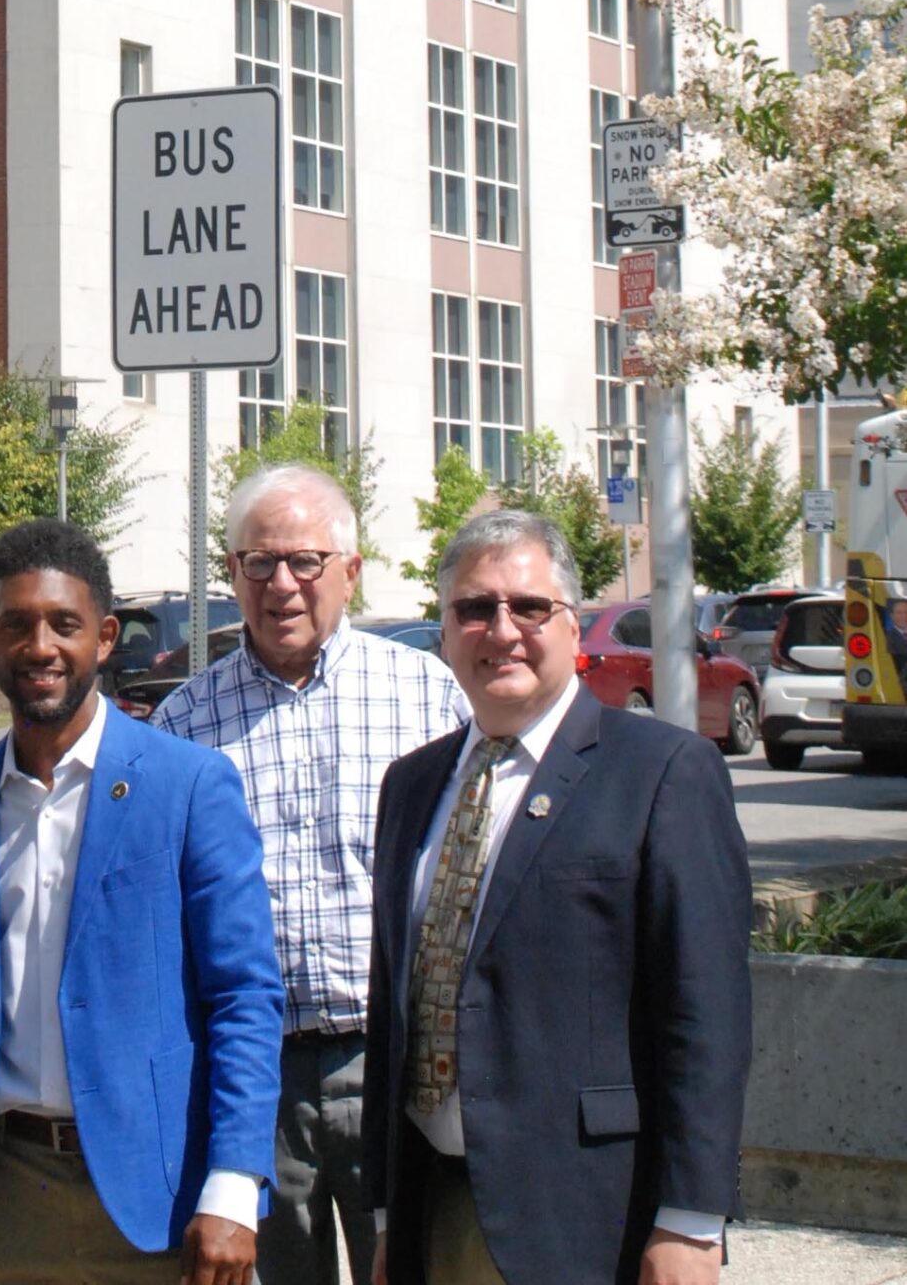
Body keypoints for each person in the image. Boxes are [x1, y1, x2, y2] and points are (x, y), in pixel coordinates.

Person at [362, 509, 751, 1285]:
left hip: (587, 1212)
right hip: (430, 1203)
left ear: (572, 627)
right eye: (474, 608)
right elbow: (391, 1012)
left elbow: (705, 1010)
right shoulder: (410, 785)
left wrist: (690, 1220)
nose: (501, 630)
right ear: (445, 632)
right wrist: (383, 1215)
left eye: (528, 607)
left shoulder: (661, 772)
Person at [0, 517, 284, 1285]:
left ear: (104, 638)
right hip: (1, 1199)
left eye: (64, 624)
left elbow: (244, 996)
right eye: (15, 625)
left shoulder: (188, 786)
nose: (40, 647)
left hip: (157, 1198)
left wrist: (234, 1181)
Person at [154, 465, 468, 1285]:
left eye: (304, 561)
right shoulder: (183, 724)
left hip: (394, 1064)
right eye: (258, 562)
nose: (281, 584)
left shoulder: (427, 698)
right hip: (253, 1083)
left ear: (350, 572)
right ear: (231, 574)